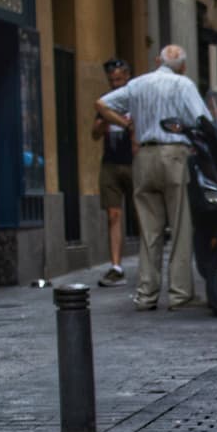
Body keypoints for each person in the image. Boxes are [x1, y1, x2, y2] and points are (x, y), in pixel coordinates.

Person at [95, 45, 209, 311]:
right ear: (182, 66)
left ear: (158, 61)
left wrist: (127, 124)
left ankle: (146, 294)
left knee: (149, 230)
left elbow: (101, 104)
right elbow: (203, 120)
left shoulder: (137, 84)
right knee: (180, 226)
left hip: (143, 157)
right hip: (174, 156)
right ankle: (180, 294)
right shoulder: (183, 84)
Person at [92, 58, 134, 285]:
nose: (115, 84)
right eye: (112, 80)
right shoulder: (105, 103)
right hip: (110, 162)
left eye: (118, 79)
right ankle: (116, 266)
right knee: (113, 215)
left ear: (127, 77)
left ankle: (149, 264)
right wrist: (101, 125)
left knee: (142, 214)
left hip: (134, 162)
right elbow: (94, 134)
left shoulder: (135, 99)